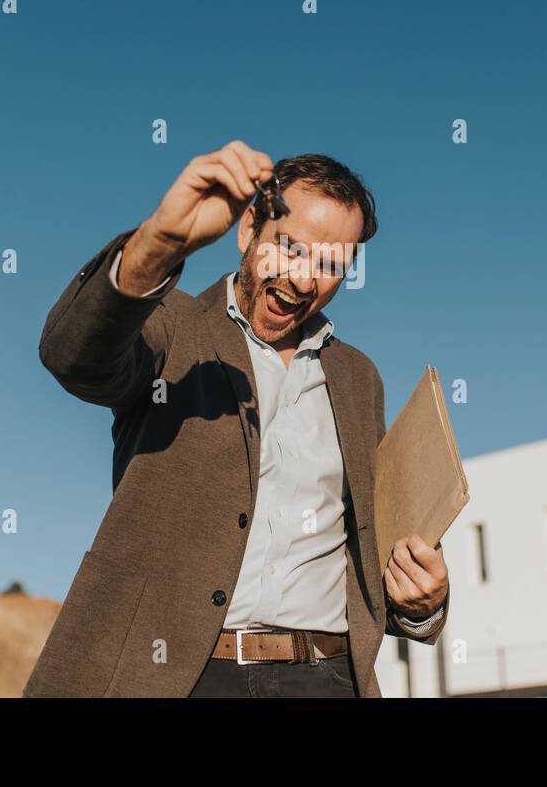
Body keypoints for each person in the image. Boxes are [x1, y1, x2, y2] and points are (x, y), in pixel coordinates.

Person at [23, 141, 450, 698]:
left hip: (327, 676)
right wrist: (159, 244)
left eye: (328, 265)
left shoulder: (359, 378)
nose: (302, 281)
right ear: (249, 230)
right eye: (290, 249)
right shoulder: (171, 326)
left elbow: (372, 545)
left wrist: (422, 604)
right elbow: (74, 356)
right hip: (181, 676)